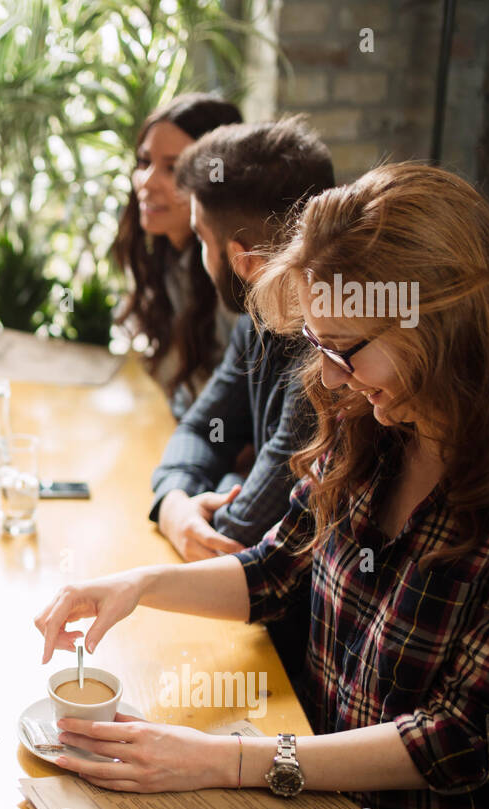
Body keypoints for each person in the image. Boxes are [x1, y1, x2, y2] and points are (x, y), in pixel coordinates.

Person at [35, 163, 489, 809]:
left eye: (345, 348)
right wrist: (139, 585)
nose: (331, 374)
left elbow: (457, 737)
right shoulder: (369, 412)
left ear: (440, 323)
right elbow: (279, 571)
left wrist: (227, 761)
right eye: (317, 345)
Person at [148, 117, 332, 681]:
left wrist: (195, 504)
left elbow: (241, 535)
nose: (200, 260)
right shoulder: (258, 321)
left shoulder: (331, 356)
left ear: (241, 257)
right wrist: (177, 507)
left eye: (202, 240)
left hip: (296, 661)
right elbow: (200, 431)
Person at [114, 93, 243, 420]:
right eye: (144, 162)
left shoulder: (236, 280)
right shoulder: (164, 254)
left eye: (174, 168)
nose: (147, 183)